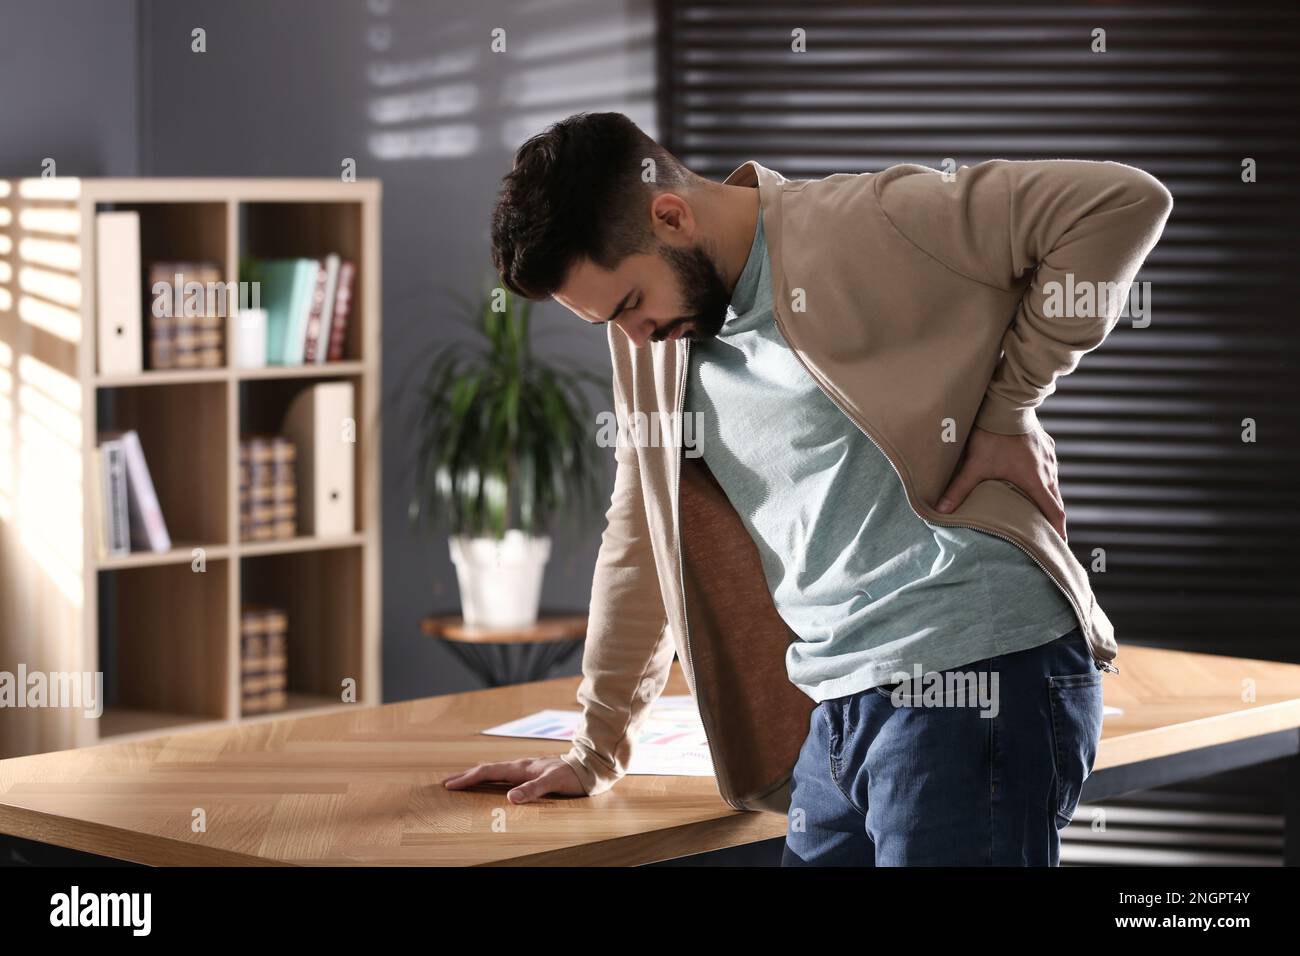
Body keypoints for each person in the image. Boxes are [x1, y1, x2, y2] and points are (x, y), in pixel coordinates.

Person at [444, 111, 1172, 865]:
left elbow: (1121, 202)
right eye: (607, 321)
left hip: (977, 675)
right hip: (837, 707)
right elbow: (640, 534)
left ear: (671, 215)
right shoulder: (655, 346)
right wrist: (595, 749)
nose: (632, 337)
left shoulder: (869, 221)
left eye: (630, 304)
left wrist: (1008, 408)